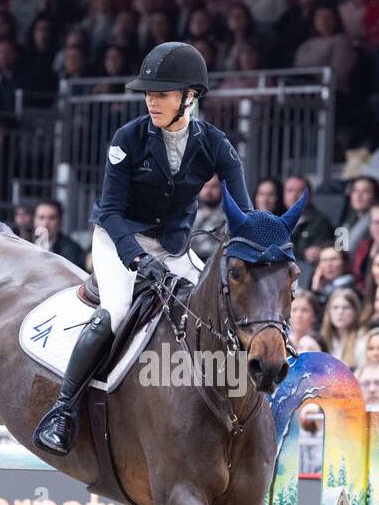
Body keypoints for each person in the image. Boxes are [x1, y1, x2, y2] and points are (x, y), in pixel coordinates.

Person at [33, 43, 256, 455]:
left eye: (162, 93)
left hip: (173, 246)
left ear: (189, 97)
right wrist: (137, 259)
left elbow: (244, 212)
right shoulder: (128, 139)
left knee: (216, 311)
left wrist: (261, 241)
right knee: (115, 312)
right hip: (120, 238)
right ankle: (63, 410)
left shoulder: (216, 145)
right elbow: (112, 211)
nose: (151, 101)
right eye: (149, 93)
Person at [33, 199, 87, 271]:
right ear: (34, 220)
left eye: (51, 218)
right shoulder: (26, 243)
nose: (46, 223)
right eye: (41, 217)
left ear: (60, 220)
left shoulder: (73, 251)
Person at [320, 288, 364, 368]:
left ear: (355, 311)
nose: (340, 312)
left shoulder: (362, 340)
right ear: (328, 312)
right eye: (335, 307)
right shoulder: (321, 340)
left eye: (346, 307)